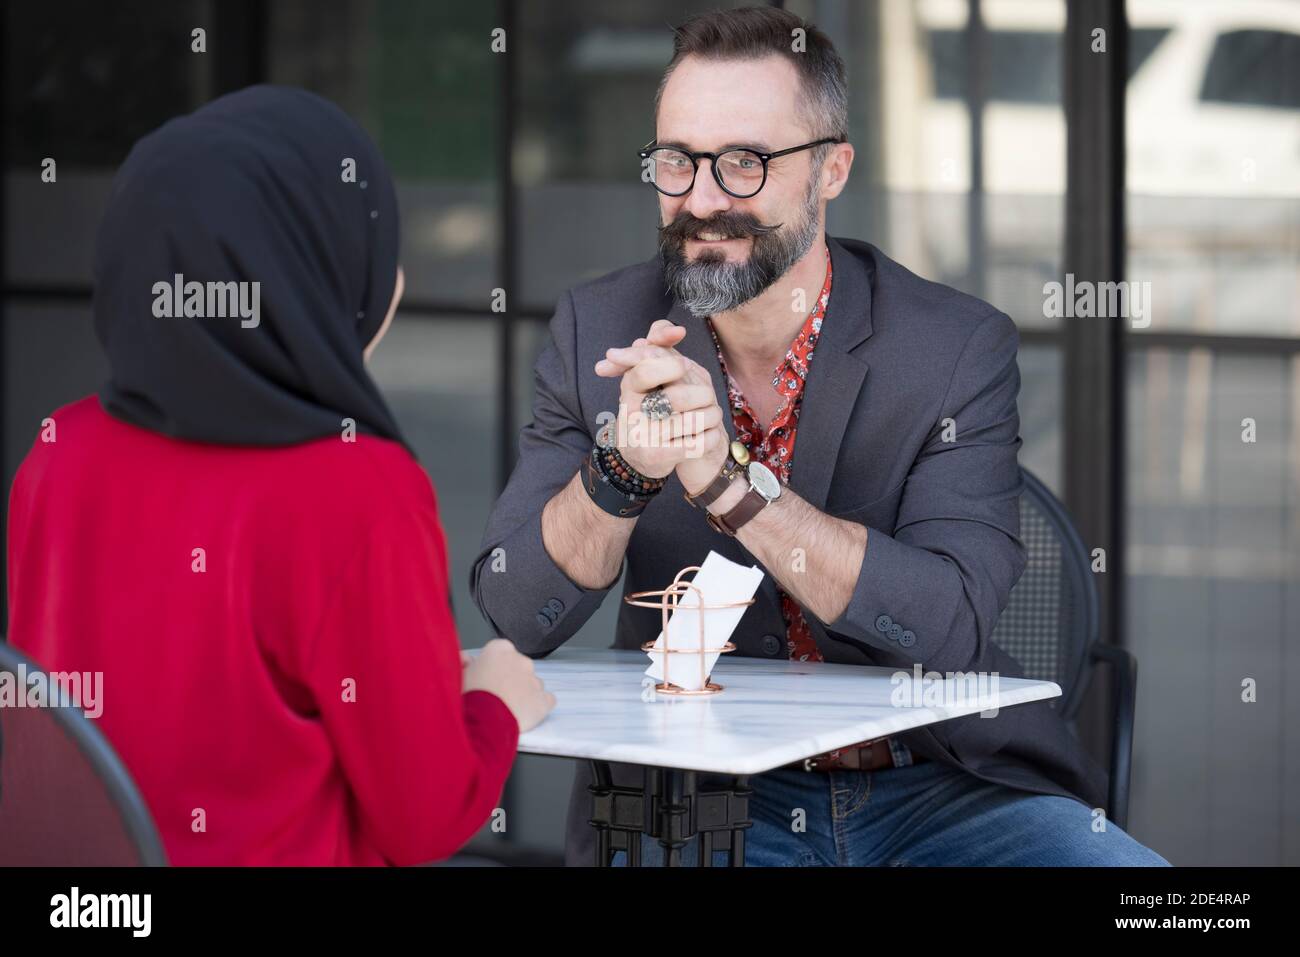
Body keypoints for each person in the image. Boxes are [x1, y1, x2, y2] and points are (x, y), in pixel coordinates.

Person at [471, 7, 1168, 866]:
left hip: (939, 787)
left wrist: (730, 485)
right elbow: (514, 610)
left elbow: (948, 626)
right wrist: (622, 467)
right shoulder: (600, 329)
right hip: (710, 800)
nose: (701, 199)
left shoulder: (952, 348)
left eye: (743, 163)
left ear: (832, 169)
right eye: (676, 161)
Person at [6, 85, 553, 866]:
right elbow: (425, 817)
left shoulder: (58, 451)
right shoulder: (359, 491)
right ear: (317, 272)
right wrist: (494, 703)